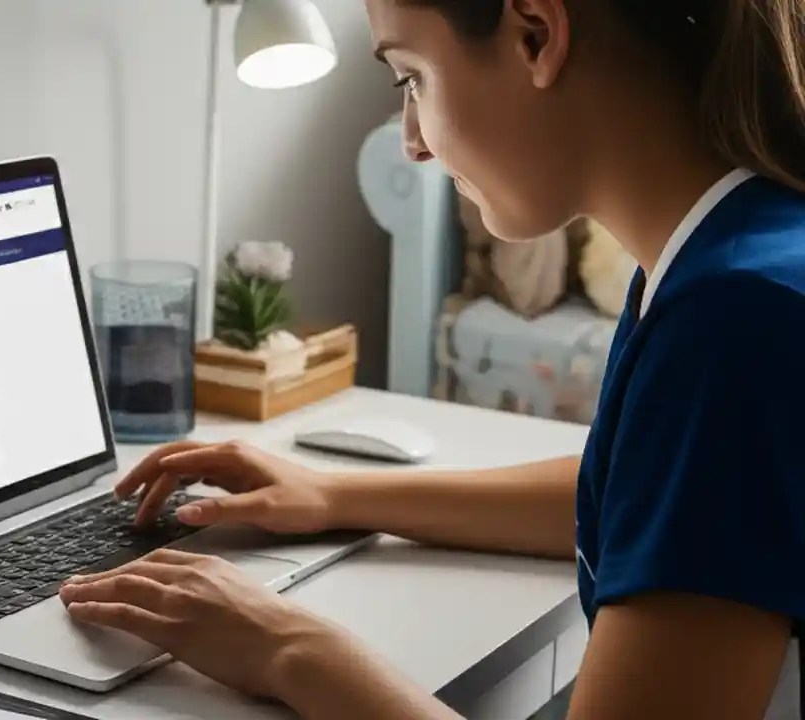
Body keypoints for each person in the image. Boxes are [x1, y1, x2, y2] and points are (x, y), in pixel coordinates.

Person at [58, 0, 805, 717]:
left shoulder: (731, 323)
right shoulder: (732, 258)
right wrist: (335, 496)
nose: (412, 140)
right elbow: (650, 495)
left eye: (411, 76)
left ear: (536, 35)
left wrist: (287, 647)